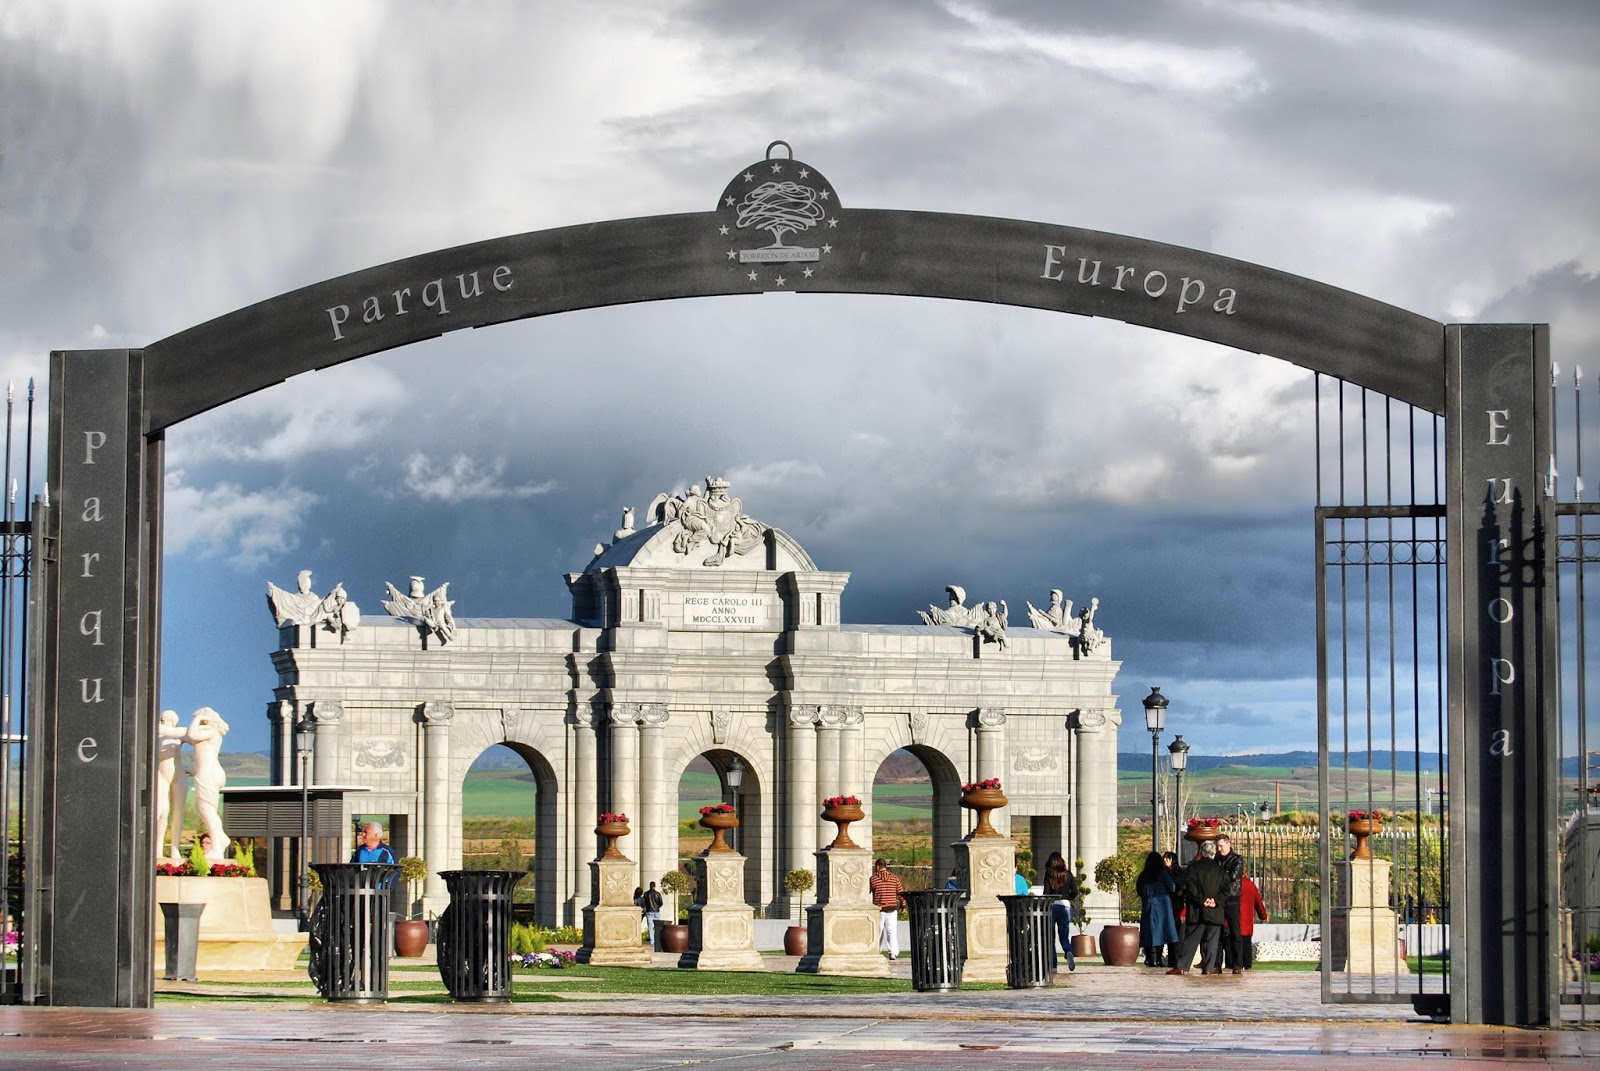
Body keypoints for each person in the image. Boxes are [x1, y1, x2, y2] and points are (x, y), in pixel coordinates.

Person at [1168, 839, 1226, 975]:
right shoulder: (1220, 870)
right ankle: (1209, 967)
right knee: (1212, 941)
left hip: (1197, 910)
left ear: (1201, 852)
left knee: (1191, 939)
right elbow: (1227, 888)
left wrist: (1201, 900)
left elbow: (1190, 885)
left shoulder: (1194, 867)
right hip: (1215, 910)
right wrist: (1215, 901)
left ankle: (1182, 966)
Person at [187, 707, 230, 862]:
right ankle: (221, 838)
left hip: (209, 774)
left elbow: (191, 734)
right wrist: (193, 771)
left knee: (207, 810)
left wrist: (198, 719)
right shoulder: (208, 734)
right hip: (207, 772)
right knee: (203, 808)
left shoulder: (210, 731)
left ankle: (217, 846)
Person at [154, 709, 188, 862]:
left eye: (167, 718)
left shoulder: (179, 734)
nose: (163, 720)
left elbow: (193, 737)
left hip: (178, 775)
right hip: (161, 775)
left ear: (175, 721)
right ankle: (157, 848)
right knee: (161, 811)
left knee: (178, 812)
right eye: (162, 718)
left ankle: (175, 848)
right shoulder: (156, 733)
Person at [1136, 851, 1180, 968]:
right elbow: (1172, 887)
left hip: (1148, 905)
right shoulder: (1163, 874)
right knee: (1161, 931)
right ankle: (1159, 958)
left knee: (1148, 931)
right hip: (1162, 905)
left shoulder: (1143, 875)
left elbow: (1139, 890)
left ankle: (1149, 958)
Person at [1041, 851, 1077, 972]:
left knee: (1050, 937)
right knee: (1064, 936)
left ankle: (1053, 965)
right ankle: (1068, 951)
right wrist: (1067, 898)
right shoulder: (1068, 874)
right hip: (1065, 906)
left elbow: (1046, 893)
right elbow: (1075, 891)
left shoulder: (1049, 875)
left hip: (1051, 906)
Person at [1216, 833, 1246, 973]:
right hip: (1220, 898)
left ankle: (1237, 964)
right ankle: (1217, 964)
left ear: (1228, 845)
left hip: (1232, 898)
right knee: (1218, 932)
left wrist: (1220, 875)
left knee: (1235, 932)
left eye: (1221, 846)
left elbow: (1232, 876)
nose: (1219, 849)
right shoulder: (1217, 859)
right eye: (1217, 847)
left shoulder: (1237, 859)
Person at [869, 858, 905, 961]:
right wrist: (903, 905)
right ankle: (893, 952)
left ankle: (877, 951)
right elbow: (900, 893)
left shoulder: (873, 879)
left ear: (877, 867)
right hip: (892, 908)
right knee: (892, 931)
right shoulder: (894, 878)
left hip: (879, 909)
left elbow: (867, 892)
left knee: (878, 931)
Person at [1237, 873, 1269, 970]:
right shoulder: (1251, 886)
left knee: (1234, 947)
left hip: (1233, 922)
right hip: (1247, 923)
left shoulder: (1233, 884)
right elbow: (1258, 903)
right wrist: (1263, 916)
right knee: (1246, 946)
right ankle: (1247, 967)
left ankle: (1236, 966)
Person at [1162, 851, 1184, 968]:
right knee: (1170, 935)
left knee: (1178, 935)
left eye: (1168, 858)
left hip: (1177, 907)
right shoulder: (1162, 874)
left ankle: (1177, 959)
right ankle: (1171, 959)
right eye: (1164, 858)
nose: (1165, 860)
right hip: (1167, 906)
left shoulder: (1178, 874)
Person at [641, 881, 665, 948]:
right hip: (656, 911)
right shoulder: (658, 894)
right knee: (657, 926)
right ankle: (657, 940)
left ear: (650, 886)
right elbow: (661, 903)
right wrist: (657, 907)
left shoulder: (646, 894)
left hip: (649, 911)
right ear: (655, 886)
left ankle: (652, 941)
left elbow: (644, 903)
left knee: (650, 927)